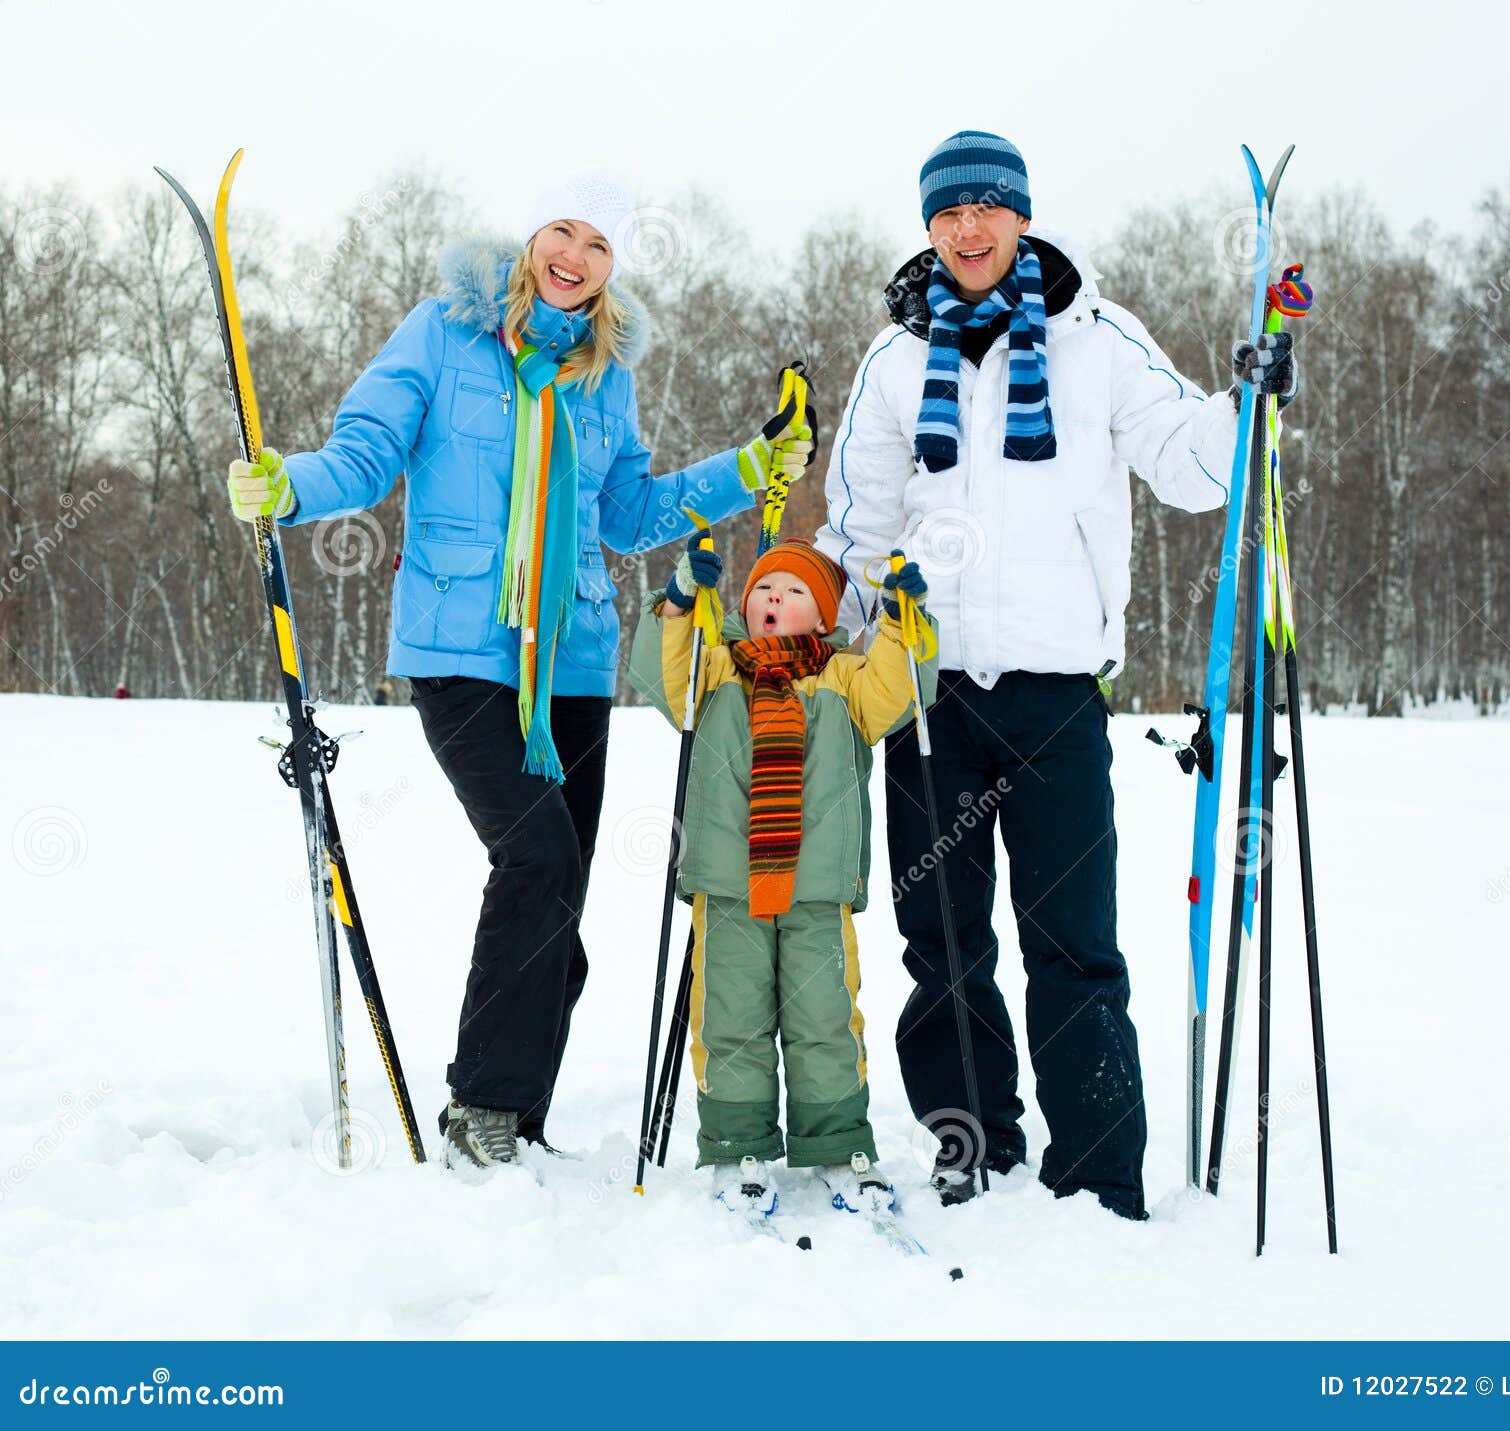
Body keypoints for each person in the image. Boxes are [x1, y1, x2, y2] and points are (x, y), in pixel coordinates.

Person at [224, 172, 813, 1172]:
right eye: (562, 230)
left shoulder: (605, 373)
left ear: (614, 266)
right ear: (532, 231)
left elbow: (624, 513)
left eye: (599, 244)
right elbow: (366, 454)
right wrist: (288, 487)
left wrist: (743, 471)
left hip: (573, 660)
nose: (574, 256)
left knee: (559, 894)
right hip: (461, 654)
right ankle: (482, 1108)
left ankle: (518, 1122)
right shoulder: (442, 333)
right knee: (536, 859)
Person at [814, 131, 1296, 1219]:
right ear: (928, 227)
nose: (968, 229)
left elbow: (1188, 467)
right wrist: (801, 658)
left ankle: (1097, 1165)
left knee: (1072, 940)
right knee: (939, 938)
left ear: (1021, 216)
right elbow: (858, 527)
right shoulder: (894, 362)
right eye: (947, 213)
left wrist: (1250, 405)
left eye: (987, 208)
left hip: (1058, 694)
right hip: (927, 695)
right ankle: (967, 1137)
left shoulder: (1099, 338)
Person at [627, 536, 934, 1218]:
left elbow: (898, 691)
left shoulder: (843, 676)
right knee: (729, 1014)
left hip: (817, 886)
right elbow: (661, 679)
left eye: (795, 592)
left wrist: (896, 618)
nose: (775, 598)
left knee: (825, 1017)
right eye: (765, 588)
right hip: (729, 880)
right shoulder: (716, 668)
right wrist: (678, 603)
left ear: (823, 617)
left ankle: (839, 1145)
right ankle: (736, 1144)